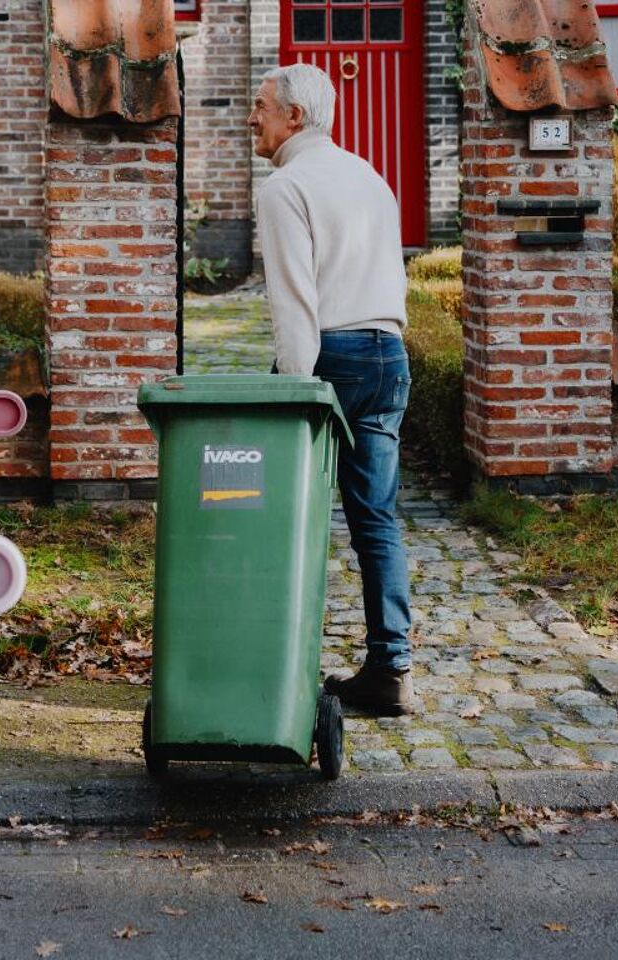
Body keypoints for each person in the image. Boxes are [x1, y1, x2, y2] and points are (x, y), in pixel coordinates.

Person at [247, 63, 414, 716]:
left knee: (289, 515)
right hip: (388, 353)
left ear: (295, 117)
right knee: (376, 520)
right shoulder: (369, 177)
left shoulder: (287, 185)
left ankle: (280, 663)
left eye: (261, 106)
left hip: (333, 356)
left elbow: (295, 306)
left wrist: (293, 395)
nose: (251, 116)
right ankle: (390, 667)